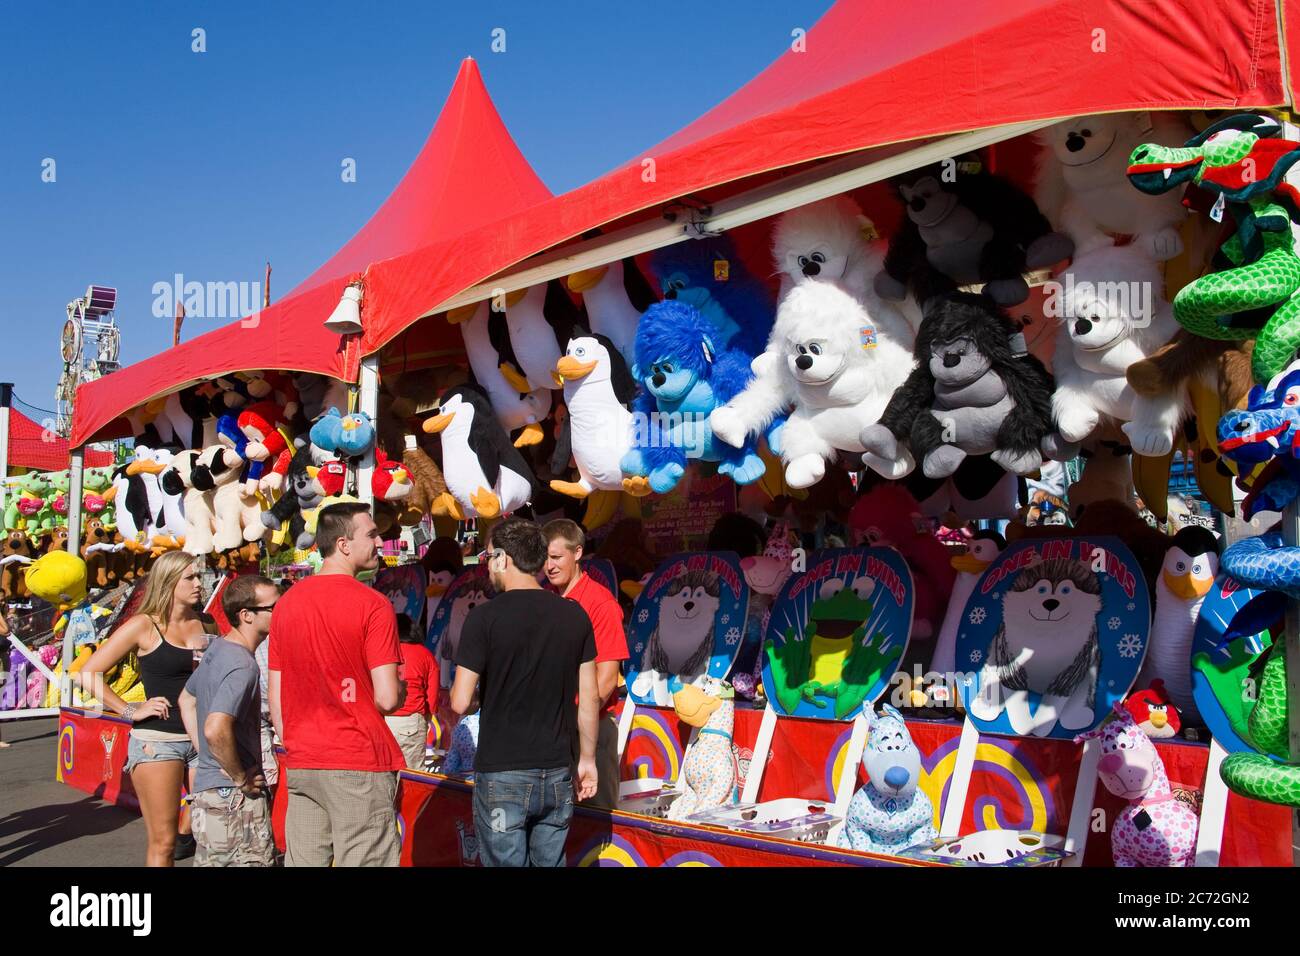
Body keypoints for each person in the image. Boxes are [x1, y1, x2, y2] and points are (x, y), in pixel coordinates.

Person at [451, 517, 599, 867]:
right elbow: (589, 697)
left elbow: (459, 701)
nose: (487, 566)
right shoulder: (574, 614)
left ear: (503, 558)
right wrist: (587, 760)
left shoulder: (483, 619)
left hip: (503, 772)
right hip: (557, 770)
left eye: (487, 556)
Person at [268, 501, 406, 867]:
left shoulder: (286, 604)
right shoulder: (373, 605)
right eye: (372, 534)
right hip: (357, 757)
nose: (380, 542)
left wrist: (294, 740)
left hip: (303, 757)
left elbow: (277, 689)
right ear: (344, 544)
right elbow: (388, 697)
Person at [78, 550, 213, 866]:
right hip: (158, 743)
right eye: (190, 577)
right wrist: (129, 710)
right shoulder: (144, 625)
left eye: (198, 576)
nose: (198, 583)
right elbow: (88, 673)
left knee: (206, 829)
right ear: (169, 582)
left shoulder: (207, 623)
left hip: (202, 740)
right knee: (163, 843)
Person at [178, 574, 278, 867]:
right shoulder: (242, 665)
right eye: (273, 607)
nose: (280, 613)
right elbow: (214, 727)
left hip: (212, 794)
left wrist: (208, 756)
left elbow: (187, 699)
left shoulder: (220, 648)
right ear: (246, 615)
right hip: (232, 799)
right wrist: (239, 777)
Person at [543, 518, 627, 808]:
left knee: (595, 819)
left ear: (577, 553)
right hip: (553, 730)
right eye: (545, 558)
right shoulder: (546, 599)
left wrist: (578, 723)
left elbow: (606, 679)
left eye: (556, 557)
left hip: (591, 728)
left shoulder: (600, 603)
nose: (549, 565)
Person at [385, 613, 439, 769]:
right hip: (411, 723)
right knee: (411, 778)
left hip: (383, 719)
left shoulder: (384, 651)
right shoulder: (425, 655)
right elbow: (432, 695)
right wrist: (427, 718)